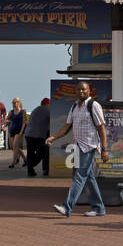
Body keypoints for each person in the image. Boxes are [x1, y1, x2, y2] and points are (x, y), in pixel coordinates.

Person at [47, 82, 108, 217]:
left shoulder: (94, 106)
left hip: (89, 146)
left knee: (79, 176)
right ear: (76, 91)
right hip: (78, 146)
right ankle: (99, 208)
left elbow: (101, 128)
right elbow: (67, 125)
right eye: (79, 89)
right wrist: (54, 137)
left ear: (89, 91)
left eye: (84, 89)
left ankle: (66, 207)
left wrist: (104, 149)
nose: (81, 92)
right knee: (88, 177)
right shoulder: (74, 106)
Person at [24, 97, 52, 176]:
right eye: (50, 104)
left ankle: (30, 170)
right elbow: (53, 119)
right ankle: (31, 164)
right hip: (37, 135)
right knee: (43, 151)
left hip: (28, 134)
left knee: (30, 152)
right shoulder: (46, 110)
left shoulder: (35, 109)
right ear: (47, 104)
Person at [7, 98, 27, 168]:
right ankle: (25, 159)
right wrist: (6, 124)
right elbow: (7, 119)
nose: (14, 104)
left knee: (15, 146)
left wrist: (21, 131)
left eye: (15, 102)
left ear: (18, 103)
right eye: (13, 103)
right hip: (12, 130)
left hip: (19, 131)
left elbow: (24, 122)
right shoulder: (11, 112)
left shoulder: (23, 111)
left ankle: (13, 162)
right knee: (13, 147)